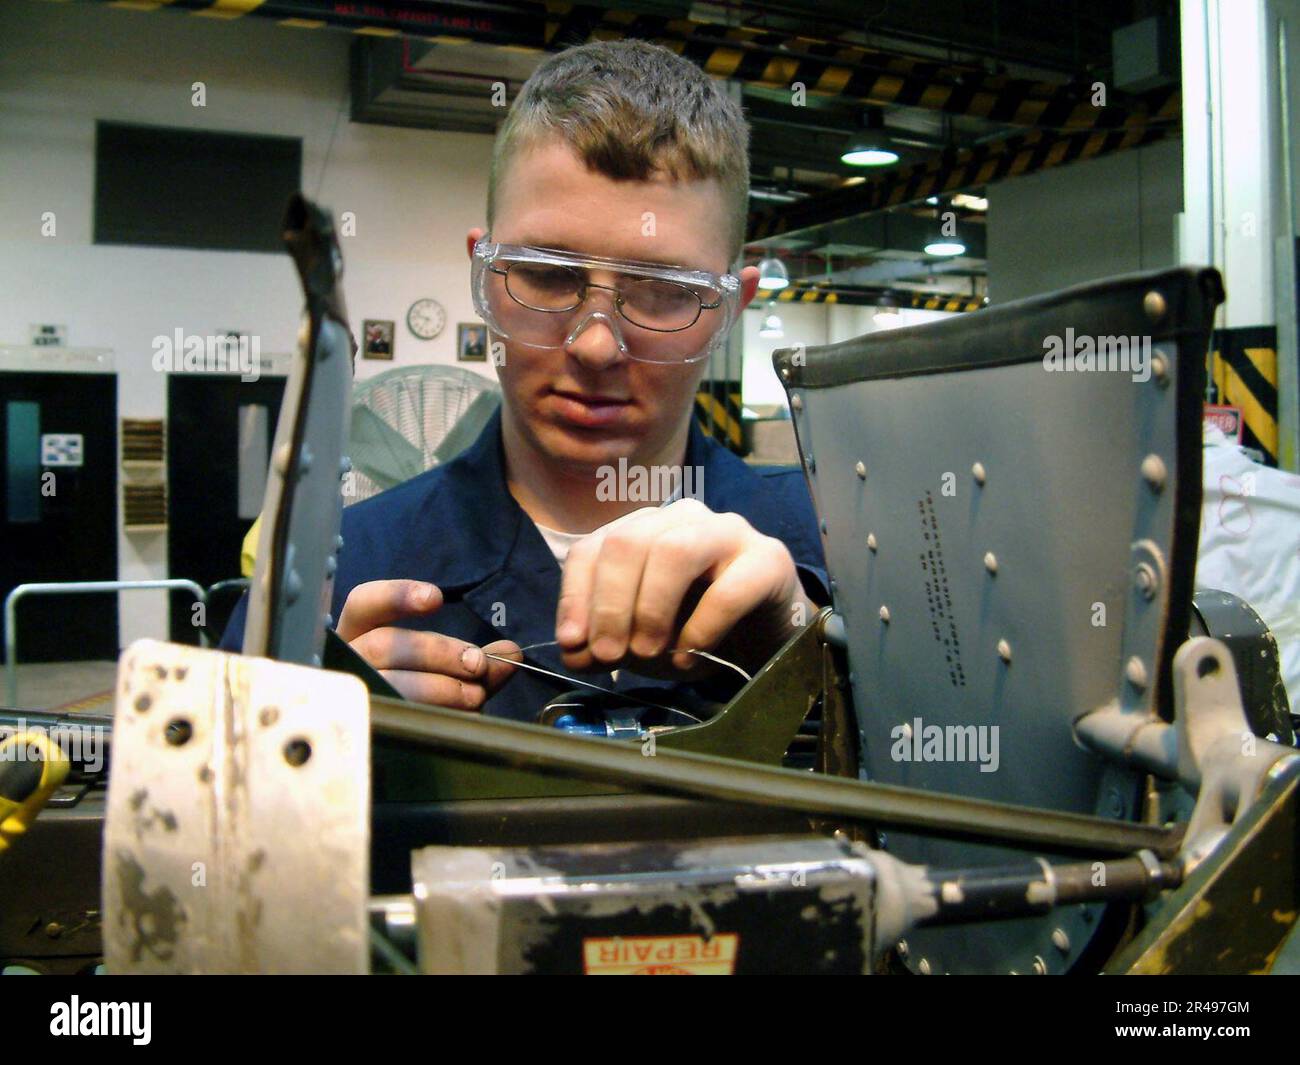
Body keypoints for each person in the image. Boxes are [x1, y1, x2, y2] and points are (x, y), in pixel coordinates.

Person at [223, 38, 827, 723]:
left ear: (732, 309)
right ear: (482, 271)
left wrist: (815, 654)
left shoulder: (842, 557)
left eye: (663, 291)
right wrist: (312, 745)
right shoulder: (340, 573)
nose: (597, 346)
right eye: (546, 275)